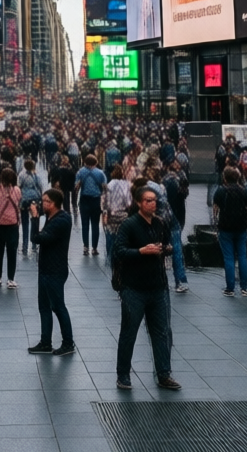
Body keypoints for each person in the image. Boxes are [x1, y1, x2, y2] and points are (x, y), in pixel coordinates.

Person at [113, 186, 180, 391]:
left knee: (161, 332)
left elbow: (168, 244)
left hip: (158, 287)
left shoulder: (160, 223)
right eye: (149, 200)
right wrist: (141, 251)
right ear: (140, 203)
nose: (153, 203)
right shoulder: (129, 225)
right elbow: (119, 251)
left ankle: (164, 373)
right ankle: (123, 374)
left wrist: (166, 249)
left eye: (154, 200)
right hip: (134, 288)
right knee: (129, 332)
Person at [27, 189, 74, 355]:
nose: (41, 203)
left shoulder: (61, 220)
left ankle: (68, 343)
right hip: (46, 269)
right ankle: (45, 342)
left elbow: (37, 238)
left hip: (55, 270)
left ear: (53, 203)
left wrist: (34, 218)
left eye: (45, 201)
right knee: (44, 306)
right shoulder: (52, 217)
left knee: (58, 306)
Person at [211, 166, 247, 297]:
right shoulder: (244, 191)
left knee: (228, 257)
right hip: (241, 228)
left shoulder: (221, 191)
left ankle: (230, 288)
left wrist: (215, 225)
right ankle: (244, 287)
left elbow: (215, 209)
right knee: (242, 256)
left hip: (225, 227)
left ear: (225, 177)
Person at [0, 167, 21, 287]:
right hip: (12, 225)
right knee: (12, 252)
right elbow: (19, 202)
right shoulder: (17, 190)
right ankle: (11, 279)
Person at [75, 153, 107, 255]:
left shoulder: (80, 172)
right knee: (95, 224)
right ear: (96, 162)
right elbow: (105, 187)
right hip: (95, 200)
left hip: (84, 199)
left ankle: (85, 247)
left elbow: (76, 187)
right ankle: (94, 248)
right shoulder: (100, 173)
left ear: (85, 162)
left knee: (85, 224)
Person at [102, 162, 133, 263]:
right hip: (123, 214)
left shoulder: (109, 185)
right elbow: (129, 202)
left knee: (110, 234)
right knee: (121, 235)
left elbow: (105, 201)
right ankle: (119, 255)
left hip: (111, 214)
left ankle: (110, 256)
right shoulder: (126, 185)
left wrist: (105, 213)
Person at [18, 157, 45, 255]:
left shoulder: (21, 175)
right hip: (35, 198)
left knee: (25, 222)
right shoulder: (35, 174)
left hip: (24, 198)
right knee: (35, 220)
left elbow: (19, 185)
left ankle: (25, 245)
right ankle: (34, 242)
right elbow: (40, 186)